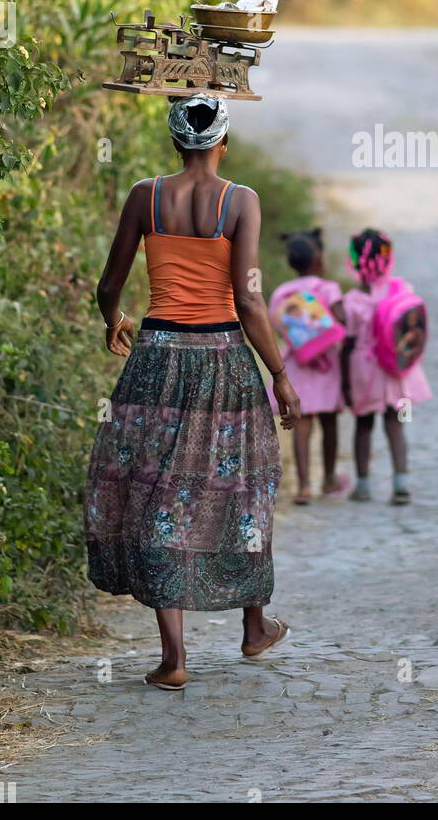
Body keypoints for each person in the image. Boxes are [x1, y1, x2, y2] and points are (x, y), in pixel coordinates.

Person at [84, 92, 301, 691]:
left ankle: (174, 659)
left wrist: (115, 322)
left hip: (154, 359)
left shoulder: (144, 196)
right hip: (225, 362)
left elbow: (109, 284)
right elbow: (250, 297)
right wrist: (279, 373)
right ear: (222, 143)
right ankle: (253, 626)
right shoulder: (241, 202)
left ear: (175, 143)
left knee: (157, 488)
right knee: (242, 484)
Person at [341, 228, 430, 505]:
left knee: (363, 426)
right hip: (395, 370)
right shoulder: (401, 289)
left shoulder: (354, 301)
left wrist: (345, 382)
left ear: (355, 261)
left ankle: (363, 485)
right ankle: (401, 483)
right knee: (395, 424)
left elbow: (349, 343)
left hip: (366, 371)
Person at [268, 228, 349, 505]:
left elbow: (276, 324)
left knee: (301, 425)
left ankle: (303, 487)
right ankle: (328, 479)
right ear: (318, 258)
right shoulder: (327, 288)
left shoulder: (281, 292)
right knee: (329, 422)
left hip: (297, 363)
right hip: (326, 364)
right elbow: (341, 317)